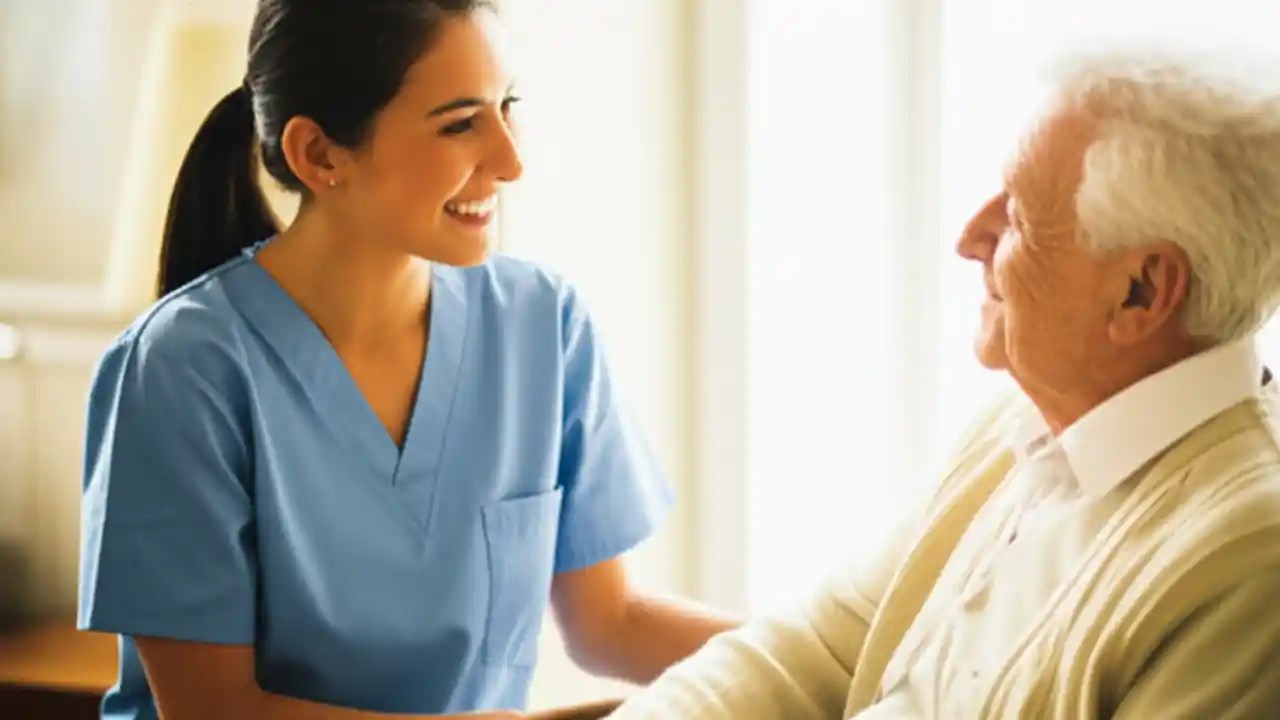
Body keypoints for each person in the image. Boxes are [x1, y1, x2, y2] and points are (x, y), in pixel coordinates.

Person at [77, 2, 737, 718]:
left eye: (506, 106)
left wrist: (830, 657)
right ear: (320, 156)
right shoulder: (182, 369)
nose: (512, 160)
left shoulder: (542, 324)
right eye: (460, 123)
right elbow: (213, 710)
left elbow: (611, 623)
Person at [607, 52, 1280, 719]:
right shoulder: (1022, 428)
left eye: (1019, 215)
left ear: (1141, 291)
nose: (968, 238)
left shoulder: (1251, 557)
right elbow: (814, 649)